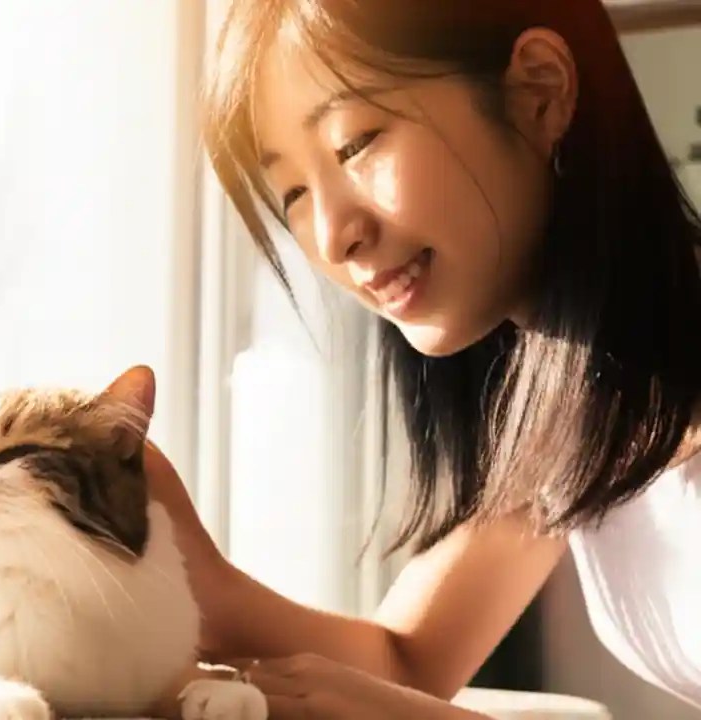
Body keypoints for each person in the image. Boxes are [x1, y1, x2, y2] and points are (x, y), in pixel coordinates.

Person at [151, 0, 701, 716]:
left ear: (539, 92)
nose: (333, 235)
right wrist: (184, 568)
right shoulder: (590, 405)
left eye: (355, 144)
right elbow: (407, 659)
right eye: (291, 191)